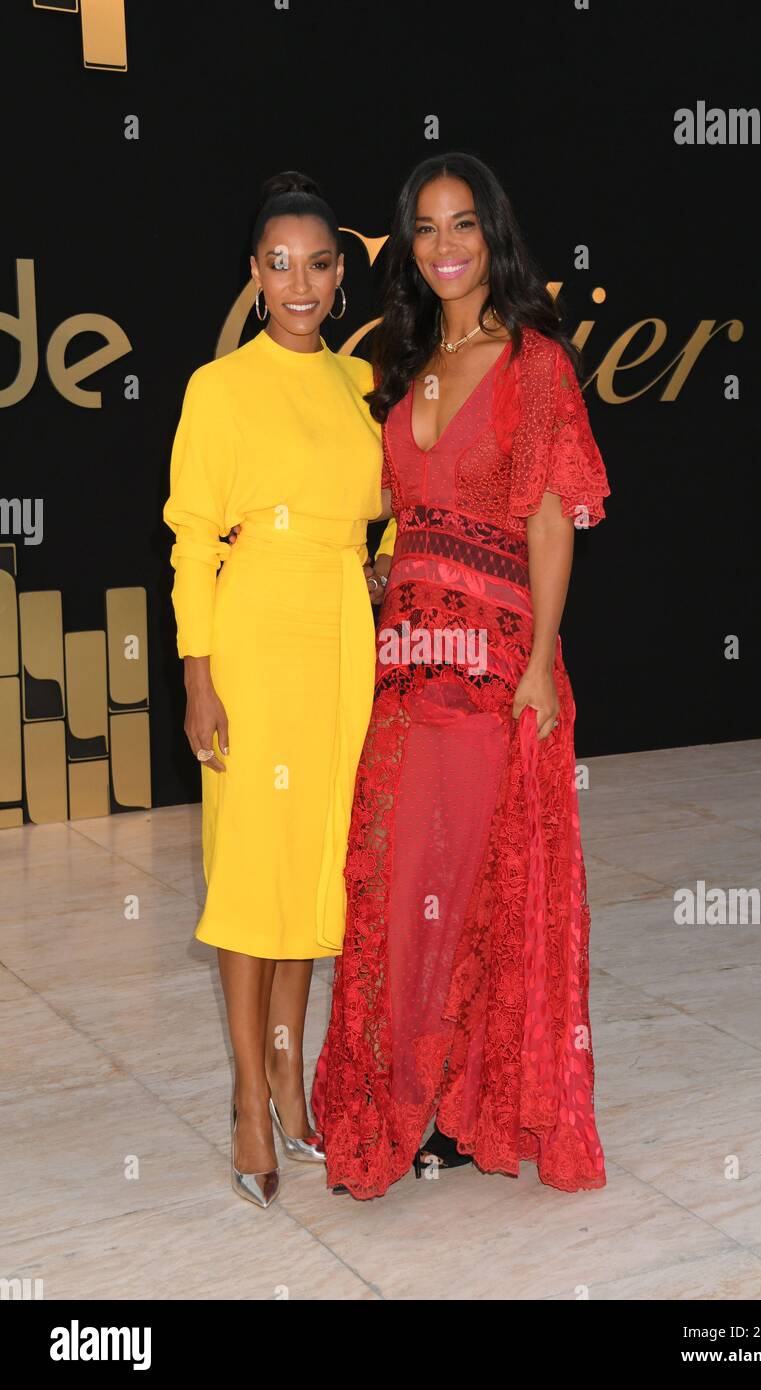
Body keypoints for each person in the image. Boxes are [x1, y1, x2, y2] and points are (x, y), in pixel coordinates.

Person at [311, 152, 611, 1198]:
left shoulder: (534, 364)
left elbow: (550, 520)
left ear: (492, 239)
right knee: (403, 888)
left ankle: (464, 1106)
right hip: (404, 673)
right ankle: (407, 1097)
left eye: (461, 227)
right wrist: (386, 564)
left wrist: (538, 665)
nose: (443, 248)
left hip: (493, 673)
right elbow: (413, 507)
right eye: (425, 230)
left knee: (483, 887)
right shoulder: (403, 362)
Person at [163, 171, 388, 1207]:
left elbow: (373, 518)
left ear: (342, 277)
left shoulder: (354, 386)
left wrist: (379, 572)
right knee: (253, 883)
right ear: (253, 277)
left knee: (310, 883)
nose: (299, 283)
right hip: (253, 637)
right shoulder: (220, 388)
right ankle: (249, 1101)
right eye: (278, 263)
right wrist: (198, 680)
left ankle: (293, 1087)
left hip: (341, 640)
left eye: (318, 263)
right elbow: (192, 543)